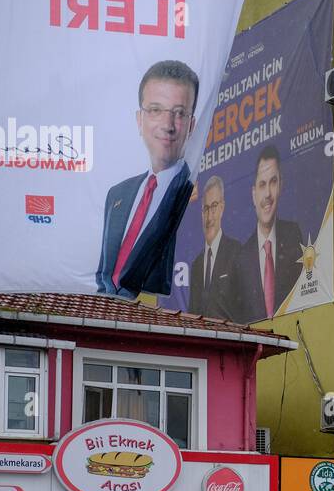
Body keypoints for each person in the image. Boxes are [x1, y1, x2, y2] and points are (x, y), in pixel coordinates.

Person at [96, 59, 198, 298]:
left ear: (191, 126)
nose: (168, 125)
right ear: (139, 120)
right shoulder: (118, 194)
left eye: (179, 113)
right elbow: (104, 274)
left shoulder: (190, 192)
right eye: (155, 110)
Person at [229, 146, 303, 322]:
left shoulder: (294, 237)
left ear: (281, 185)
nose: (268, 194)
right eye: (262, 184)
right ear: (254, 194)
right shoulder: (241, 259)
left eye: (273, 182)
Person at [188, 175, 240, 319]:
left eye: (214, 206)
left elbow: (243, 307)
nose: (209, 216)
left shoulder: (236, 252)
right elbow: (192, 314)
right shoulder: (196, 265)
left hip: (230, 338)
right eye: (205, 208)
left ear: (222, 208)